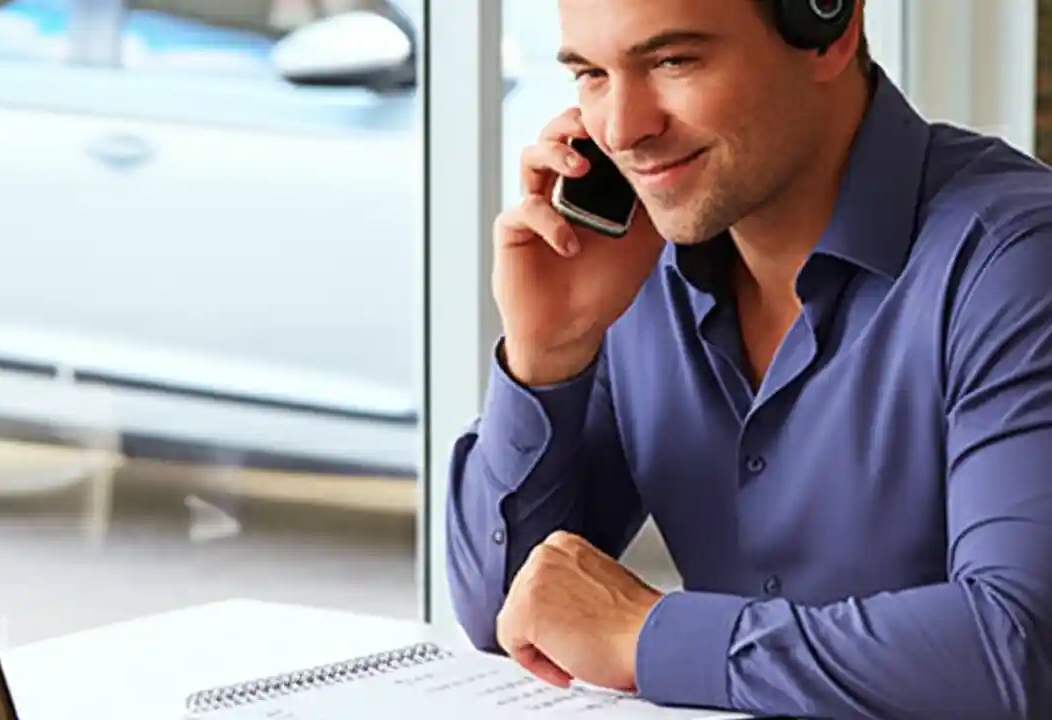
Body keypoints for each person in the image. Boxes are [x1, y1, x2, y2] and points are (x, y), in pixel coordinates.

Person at [445, 0, 1052, 718]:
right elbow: (511, 615)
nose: (621, 129)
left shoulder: (1015, 262)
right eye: (591, 74)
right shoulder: (635, 262)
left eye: (672, 62)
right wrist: (548, 356)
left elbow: (1017, 648)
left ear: (826, 27)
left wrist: (646, 637)